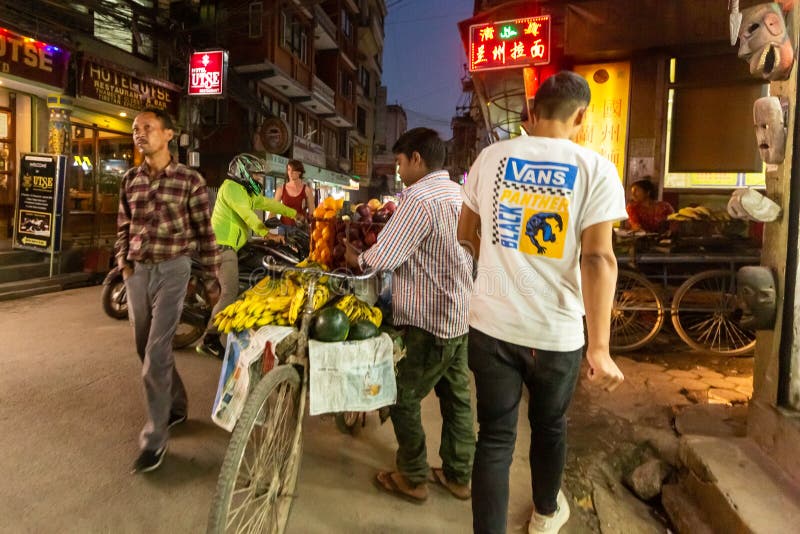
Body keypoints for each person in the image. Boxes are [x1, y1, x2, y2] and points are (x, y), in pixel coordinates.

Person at [457, 71, 626, 534]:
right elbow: (598, 257)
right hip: (556, 334)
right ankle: (545, 515)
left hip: (490, 326)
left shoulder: (490, 158)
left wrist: (499, 264)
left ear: (531, 111)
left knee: (493, 438)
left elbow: (464, 234)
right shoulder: (596, 170)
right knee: (549, 427)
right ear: (581, 116)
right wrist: (600, 348)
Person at [345, 127, 475, 504]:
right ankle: (458, 474)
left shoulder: (419, 198)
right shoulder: (459, 193)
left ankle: (414, 476)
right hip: (459, 316)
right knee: (457, 399)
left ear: (417, 158)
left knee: (401, 394)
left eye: (401, 162)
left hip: (427, 321)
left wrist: (357, 258)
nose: (399, 170)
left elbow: (382, 258)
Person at [116, 108, 220, 473]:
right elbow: (123, 226)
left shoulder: (190, 181)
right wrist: (124, 264)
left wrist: (209, 278)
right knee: (143, 347)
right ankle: (176, 406)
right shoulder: (130, 180)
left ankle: (154, 439)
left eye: (147, 127)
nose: (139, 134)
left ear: (169, 134)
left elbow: (205, 233)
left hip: (175, 269)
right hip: (138, 270)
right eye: (135, 129)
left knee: (157, 351)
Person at [196, 153, 297, 359]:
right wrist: (266, 233)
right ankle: (209, 339)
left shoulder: (246, 192)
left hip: (237, 245)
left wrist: (297, 215)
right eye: (256, 175)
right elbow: (247, 215)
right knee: (229, 293)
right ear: (244, 173)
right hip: (222, 247)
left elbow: (268, 204)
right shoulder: (231, 188)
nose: (259, 179)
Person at [275, 159, 315, 228]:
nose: (290, 172)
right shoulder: (281, 189)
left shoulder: (307, 190)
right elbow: (273, 209)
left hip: (301, 228)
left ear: (299, 172)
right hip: (284, 228)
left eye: (293, 170)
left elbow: (312, 213)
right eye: (288, 169)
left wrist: (310, 221)